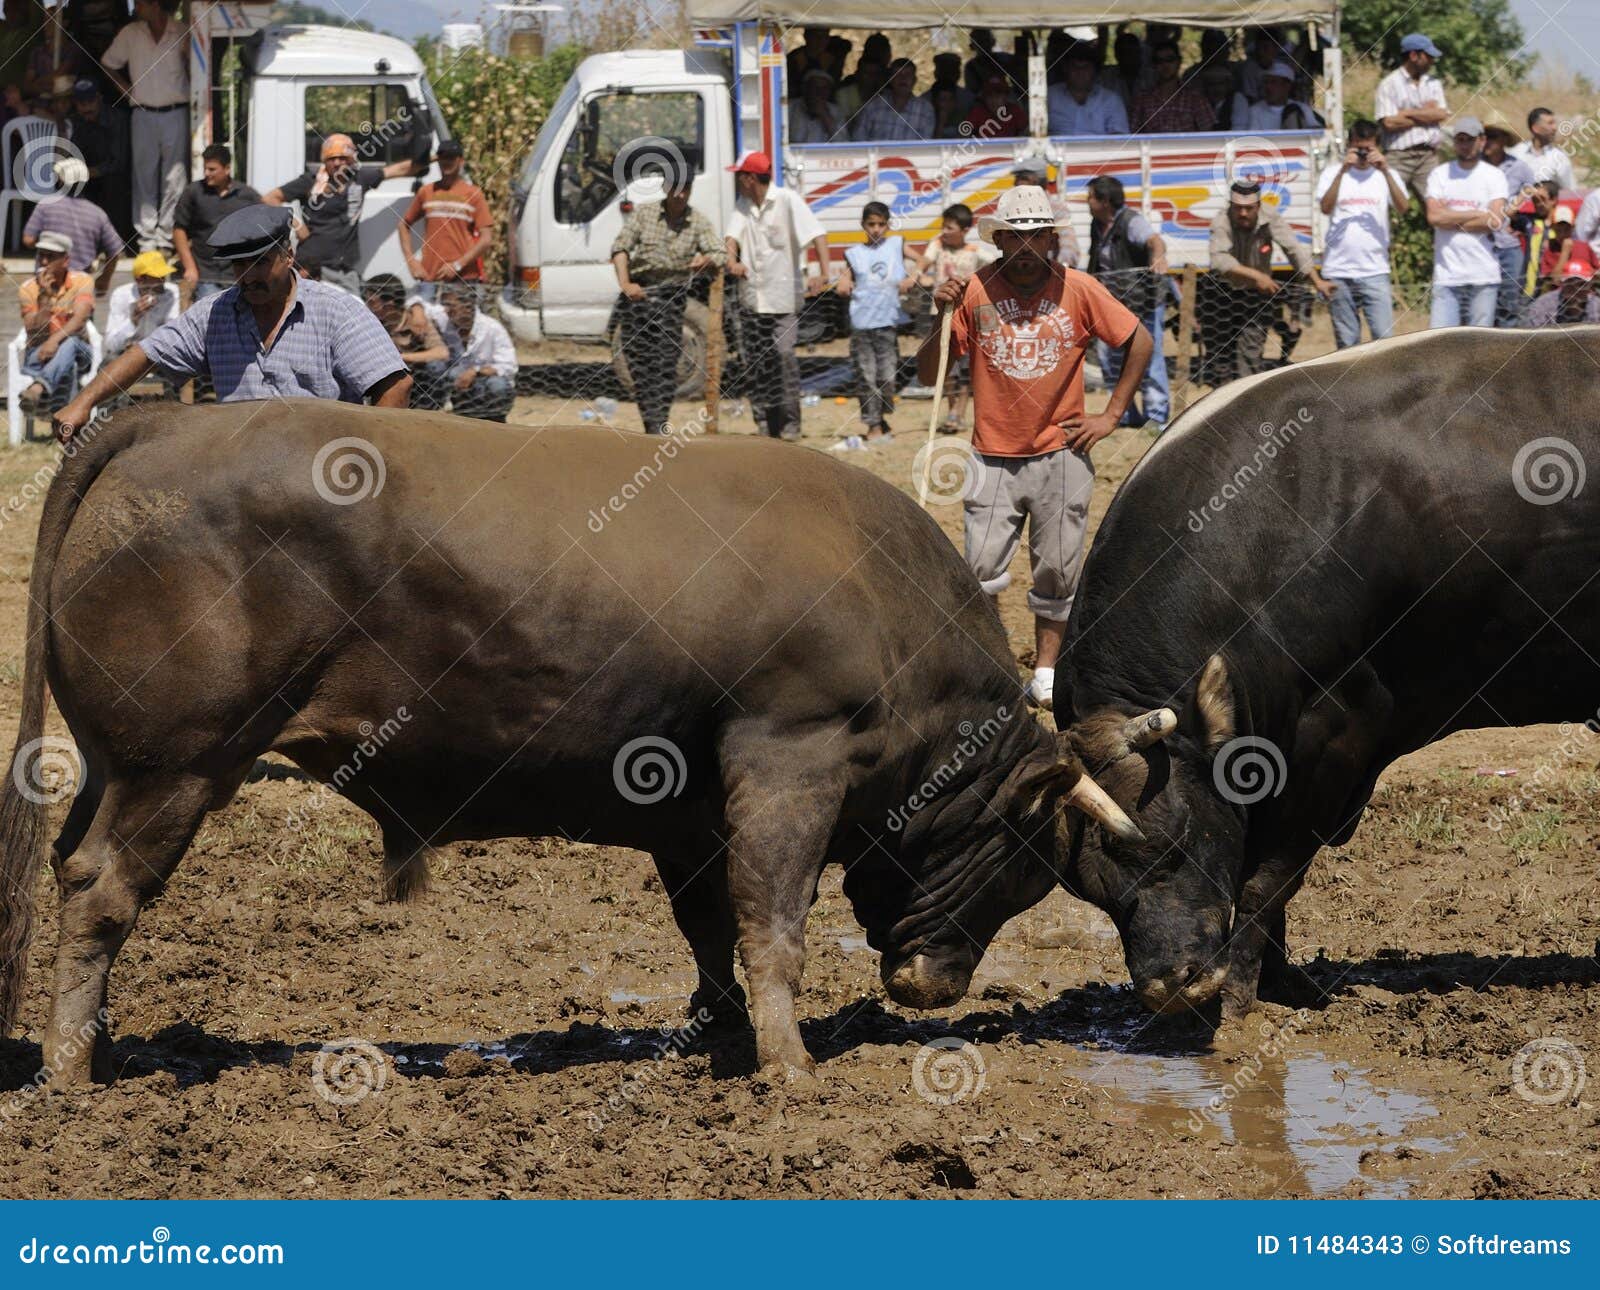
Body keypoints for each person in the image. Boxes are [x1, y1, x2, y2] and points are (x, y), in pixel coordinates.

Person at [916, 186, 1153, 711]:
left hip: (1061, 452)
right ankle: (996, 667)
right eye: (1014, 236)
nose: (1025, 247)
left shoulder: (1080, 289)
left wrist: (1111, 415)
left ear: (1050, 238)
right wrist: (939, 317)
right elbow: (928, 373)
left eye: (1035, 236)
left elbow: (1139, 339)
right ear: (998, 239)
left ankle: (1046, 670)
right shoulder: (973, 291)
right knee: (978, 572)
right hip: (991, 455)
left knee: (1058, 570)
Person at [52, 204, 411, 441]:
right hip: (237, 470)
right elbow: (147, 354)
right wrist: (82, 403)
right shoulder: (215, 313)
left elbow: (394, 385)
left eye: (260, 263)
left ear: (288, 256)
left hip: (319, 469)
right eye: (240, 266)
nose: (248, 276)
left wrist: (367, 457)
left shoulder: (337, 311)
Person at [723, 150, 832, 441]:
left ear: (748, 178)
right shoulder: (744, 205)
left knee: (784, 358)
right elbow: (731, 237)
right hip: (753, 299)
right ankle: (764, 422)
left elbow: (817, 235)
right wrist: (732, 260)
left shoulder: (787, 200)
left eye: (739, 175)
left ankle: (790, 424)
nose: (737, 180)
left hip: (783, 299)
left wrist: (822, 272)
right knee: (756, 362)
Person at [610, 178, 723, 435]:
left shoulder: (698, 222)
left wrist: (705, 259)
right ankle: (650, 422)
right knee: (639, 364)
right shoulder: (645, 214)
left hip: (672, 298)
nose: (681, 195)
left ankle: (658, 423)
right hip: (639, 296)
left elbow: (719, 252)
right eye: (677, 189)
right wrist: (626, 283)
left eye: (686, 189)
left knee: (665, 363)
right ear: (666, 189)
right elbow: (620, 247)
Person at [1206, 179, 1335, 380]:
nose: (1242, 214)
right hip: (1222, 292)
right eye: (1238, 208)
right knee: (1220, 355)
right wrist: (1258, 276)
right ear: (1231, 206)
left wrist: (1317, 281)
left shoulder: (1270, 216)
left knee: (1251, 351)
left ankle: (1246, 396)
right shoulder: (1221, 221)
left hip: (1255, 295)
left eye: (1248, 209)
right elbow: (1219, 260)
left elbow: (1293, 249)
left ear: (1258, 206)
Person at [263, 134, 419, 294]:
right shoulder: (311, 181)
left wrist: (438, 158)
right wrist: (295, 223)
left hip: (344, 271)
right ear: (324, 161)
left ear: (351, 160)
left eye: (342, 158)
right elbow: (269, 199)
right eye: (331, 158)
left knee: (352, 314)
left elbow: (400, 169)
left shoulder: (360, 178)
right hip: (310, 269)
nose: (337, 163)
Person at [100, 0, 188, 253]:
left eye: (140, 2)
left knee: (175, 178)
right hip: (143, 112)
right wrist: (126, 89)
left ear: (155, 4)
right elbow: (107, 63)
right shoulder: (130, 33)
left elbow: (195, 67)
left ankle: (166, 238)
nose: (135, 7)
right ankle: (147, 240)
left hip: (176, 112)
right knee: (144, 177)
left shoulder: (182, 31)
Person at [1086, 176, 1168, 430]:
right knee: (1109, 356)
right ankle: (1124, 414)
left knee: (1150, 356)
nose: (1087, 202)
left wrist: (1158, 258)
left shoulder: (1131, 221)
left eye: (1091, 197)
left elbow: (1154, 240)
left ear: (1105, 201)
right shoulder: (1096, 225)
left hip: (1144, 301)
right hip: (1115, 303)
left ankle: (1156, 416)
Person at [1315, 119, 1407, 347]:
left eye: (1368, 148)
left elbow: (1404, 207)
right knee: (1347, 343)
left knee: (1384, 340)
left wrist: (1385, 170)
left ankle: (1385, 383)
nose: (1363, 154)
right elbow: (1325, 207)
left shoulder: (1386, 175)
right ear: (1349, 146)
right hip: (1339, 269)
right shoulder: (1332, 173)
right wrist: (1343, 170)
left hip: (1374, 269)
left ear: (1378, 147)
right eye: (1358, 148)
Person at [838, 201, 913, 442]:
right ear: (863, 225)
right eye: (872, 224)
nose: (877, 229)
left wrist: (914, 277)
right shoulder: (855, 253)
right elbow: (845, 277)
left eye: (881, 224)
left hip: (887, 323)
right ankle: (873, 426)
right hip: (862, 325)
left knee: (888, 377)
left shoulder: (896, 245)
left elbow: (923, 259)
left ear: (888, 225)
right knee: (867, 377)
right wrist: (843, 282)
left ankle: (882, 416)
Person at [1425, 116, 1508, 329]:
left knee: (1479, 348)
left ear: (1481, 140)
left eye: (1469, 139)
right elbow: (1434, 217)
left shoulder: (1494, 175)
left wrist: (1449, 215)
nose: (1465, 145)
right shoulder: (1440, 174)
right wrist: (1476, 214)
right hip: (1447, 276)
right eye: (1460, 139)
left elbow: (1495, 220)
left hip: (1483, 275)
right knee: (1441, 344)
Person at [915, 203, 981, 434]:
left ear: (964, 230)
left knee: (966, 369)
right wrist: (916, 274)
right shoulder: (937, 245)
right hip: (941, 317)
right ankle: (952, 408)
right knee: (946, 368)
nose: (944, 231)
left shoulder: (975, 251)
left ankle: (960, 412)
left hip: (968, 320)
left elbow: (995, 269)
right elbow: (924, 262)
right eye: (943, 226)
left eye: (950, 227)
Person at [397, 138, 492, 300]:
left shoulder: (473, 194)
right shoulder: (426, 192)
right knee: (425, 324)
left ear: (460, 161)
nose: (446, 162)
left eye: (451, 157)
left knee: (461, 323)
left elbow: (486, 239)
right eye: (442, 157)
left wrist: (457, 265)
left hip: (463, 279)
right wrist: (411, 261)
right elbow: (403, 225)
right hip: (429, 278)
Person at [172, 143, 262, 306]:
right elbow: (179, 230)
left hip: (239, 275)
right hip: (206, 274)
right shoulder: (193, 192)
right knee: (211, 319)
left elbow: (265, 226)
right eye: (205, 169)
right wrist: (189, 267)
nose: (207, 173)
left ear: (227, 169)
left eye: (212, 169)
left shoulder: (247, 195)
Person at [16, 232, 93, 413]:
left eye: (50, 257)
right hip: (39, 354)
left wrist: (54, 341)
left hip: (81, 350)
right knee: (66, 362)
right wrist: (44, 297)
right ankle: (61, 421)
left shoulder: (82, 281)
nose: (43, 262)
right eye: (40, 255)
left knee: (71, 344)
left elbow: (79, 320)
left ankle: (38, 388)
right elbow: (34, 330)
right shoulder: (28, 288)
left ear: (65, 260)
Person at [22, 157, 120, 295]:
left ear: (60, 181)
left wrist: (47, 247)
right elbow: (115, 251)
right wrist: (105, 279)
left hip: (47, 279)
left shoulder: (45, 206)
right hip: (81, 283)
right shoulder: (98, 214)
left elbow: (28, 240)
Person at [1375, 33, 1447, 204]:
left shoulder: (1433, 83)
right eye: (1428, 56)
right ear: (1414, 56)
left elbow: (1441, 114)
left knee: (1437, 206)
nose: (1432, 61)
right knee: (1385, 203)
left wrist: (1406, 113)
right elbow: (1389, 123)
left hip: (1428, 156)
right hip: (1399, 156)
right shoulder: (1389, 84)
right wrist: (1426, 115)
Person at [362, 273, 451, 408]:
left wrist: (403, 357)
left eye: (373, 302)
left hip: (418, 380)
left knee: (436, 367)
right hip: (387, 379)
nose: (368, 306)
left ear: (389, 303)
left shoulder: (417, 322)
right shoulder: (371, 323)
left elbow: (442, 353)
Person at [1480, 113, 1536, 327]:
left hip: (1509, 244)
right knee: (1481, 302)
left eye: (1492, 136)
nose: (1486, 141)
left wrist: (1517, 211)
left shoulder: (1519, 168)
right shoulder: (1475, 167)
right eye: (1484, 136)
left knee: (1509, 301)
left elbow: (1533, 193)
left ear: (1503, 140)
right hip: (1481, 244)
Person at [438, 284, 517, 422]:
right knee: (452, 374)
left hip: (488, 382)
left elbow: (508, 365)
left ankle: (496, 421)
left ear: (468, 306)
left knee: (498, 385)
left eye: (451, 305)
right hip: (461, 386)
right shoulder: (446, 325)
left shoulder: (492, 328)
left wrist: (475, 371)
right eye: (444, 305)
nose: (446, 310)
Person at [64, 79, 128, 237]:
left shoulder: (116, 119)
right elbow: (73, 154)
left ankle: (114, 243)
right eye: (81, 102)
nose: (86, 106)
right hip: (88, 175)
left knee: (113, 184)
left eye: (90, 101)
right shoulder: (77, 121)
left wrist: (88, 172)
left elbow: (118, 162)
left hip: (112, 175)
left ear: (99, 98)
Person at [103, 249, 180, 359]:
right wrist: (133, 320)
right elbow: (111, 345)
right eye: (157, 276)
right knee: (108, 364)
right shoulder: (121, 295)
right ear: (140, 280)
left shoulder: (171, 293)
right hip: (126, 355)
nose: (162, 281)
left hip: (159, 354)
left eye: (163, 276)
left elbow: (173, 336)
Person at [1131, 39, 1214, 134]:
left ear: (1179, 62)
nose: (1165, 65)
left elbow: (1209, 135)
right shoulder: (1142, 99)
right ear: (1154, 65)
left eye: (1170, 59)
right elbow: (1132, 136)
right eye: (1159, 61)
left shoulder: (1195, 98)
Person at [1010, 155, 1079, 268]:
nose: (1015, 183)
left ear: (1036, 181)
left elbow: (1068, 242)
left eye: (1021, 178)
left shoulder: (1055, 208)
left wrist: (1063, 266)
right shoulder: (1014, 208)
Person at [1047, 44, 1128, 137]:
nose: (1080, 72)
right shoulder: (1050, 96)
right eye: (1075, 67)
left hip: (1100, 151)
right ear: (1066, 68)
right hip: (1056, 150)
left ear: (1095, 70)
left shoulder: (1111, 100)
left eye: (1086, 67)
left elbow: (1120, 140)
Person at [853, 58, 934, 141]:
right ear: (890, 80)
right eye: (897, 74)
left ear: (914, 80)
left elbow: (925, 146)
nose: (903, 78)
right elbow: (858, 140)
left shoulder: (925, 110)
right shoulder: (873, 106)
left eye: (907, 75)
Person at [1237, 61, 1321, 131]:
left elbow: (1316, 133)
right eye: (1266, 82)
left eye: (1273, 82)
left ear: (1287, 86)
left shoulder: (1302, 108)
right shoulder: (1254, 111)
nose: (1268, 87)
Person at [1510, 107, 1576, 190]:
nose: (1555, 128)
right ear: (1535, 128)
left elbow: (1569, 190)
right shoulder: (1516, 153)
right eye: (1550, 123)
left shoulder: (1559, 157)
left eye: (1554, 123)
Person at [1528, 262, 1600, 327]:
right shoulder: (1543, 305)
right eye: (1570, 283)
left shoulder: (1597, 305)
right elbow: (1532, 335)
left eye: (1581, 284)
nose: (1575, 290)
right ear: (1562, 283)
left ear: (1590, 286)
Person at [790, 68, 848, 144]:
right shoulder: (789, 108)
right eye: (815, 87)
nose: (820, 92)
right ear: (805, 89)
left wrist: (825, 115)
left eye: (825, 88)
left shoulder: (836, 111)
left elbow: (843, 144)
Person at [963, 74, 1024, 139]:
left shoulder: (1014, 111)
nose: (994, 100)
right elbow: (963, 136)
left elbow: (1027, 132)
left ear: (1006, 97)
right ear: (984, 98)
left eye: (998, 96)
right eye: (990, 96)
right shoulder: (977, 112)